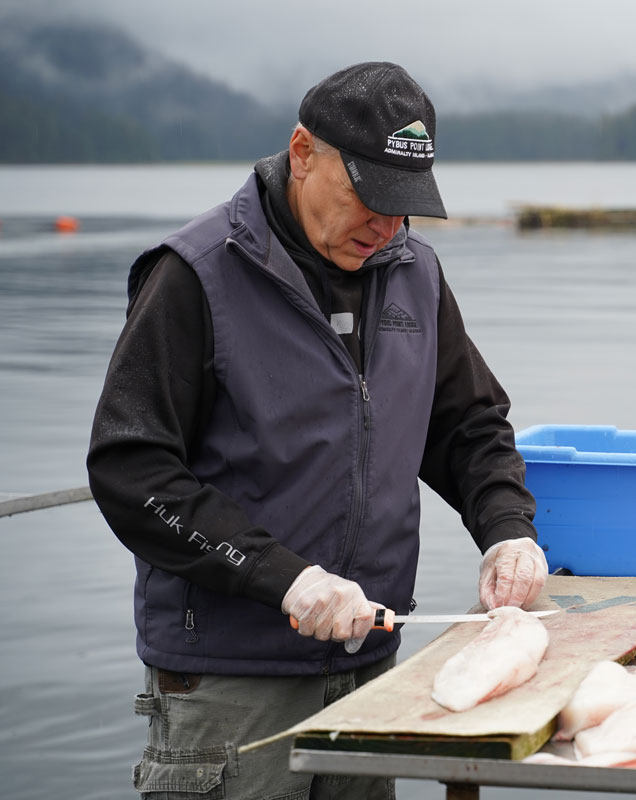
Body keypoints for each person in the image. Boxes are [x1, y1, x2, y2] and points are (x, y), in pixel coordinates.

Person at [87, 61, 548, 799]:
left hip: (368, 671)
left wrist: (505, 528)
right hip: (232, 692)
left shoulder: (415, 275)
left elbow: (468, 424)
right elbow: (131, 472)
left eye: (405, 205)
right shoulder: (195, 274)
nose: (387, 225)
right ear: (303, 154)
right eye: (369, 196)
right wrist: (286, 580)